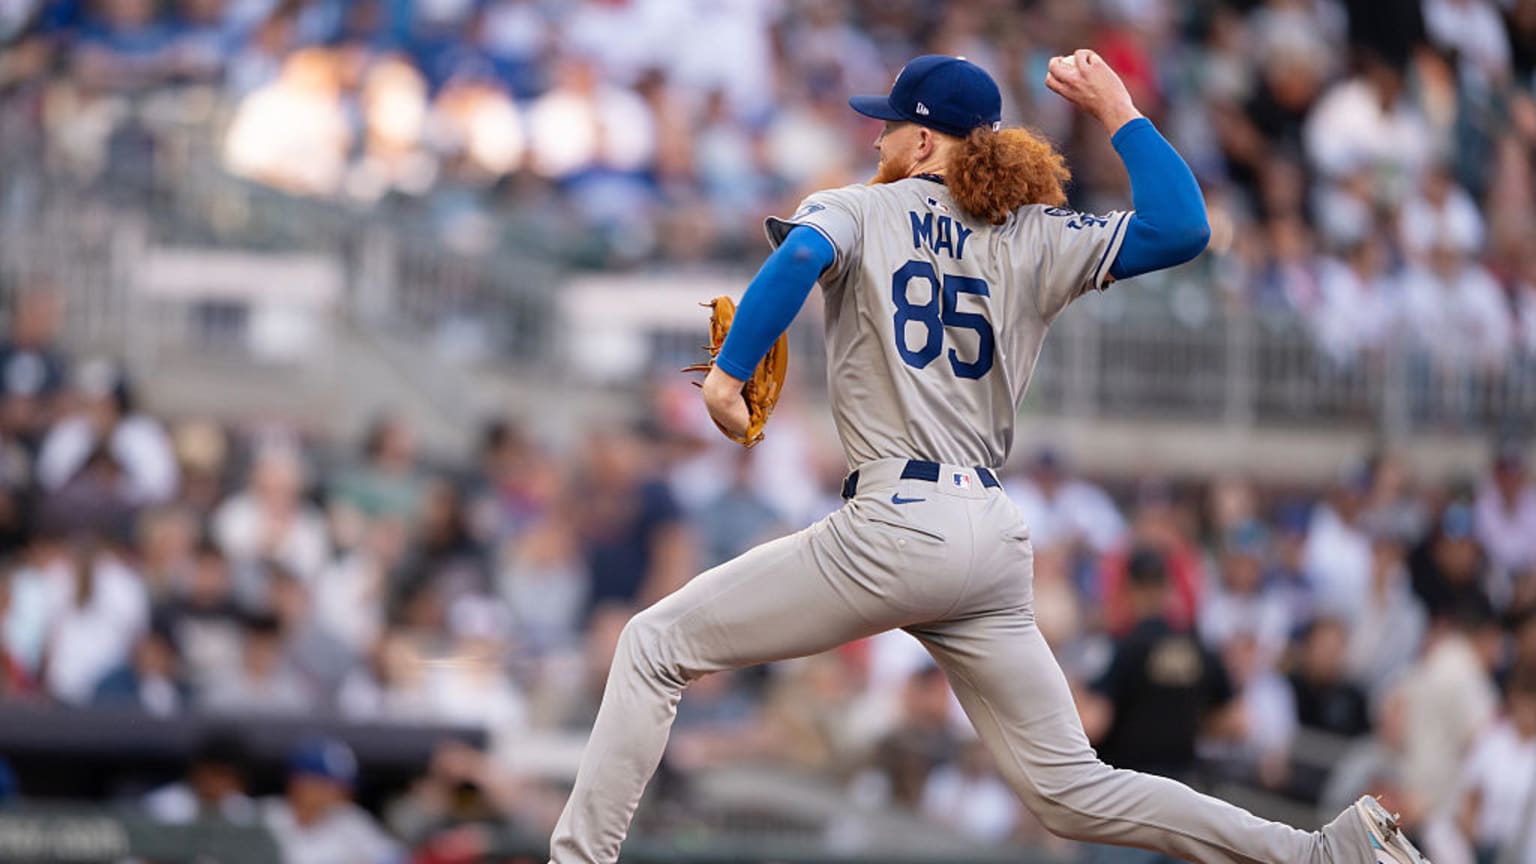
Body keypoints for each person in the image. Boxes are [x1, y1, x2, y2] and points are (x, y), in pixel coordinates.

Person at [545, 52, 1426, 864]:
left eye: (889, 125)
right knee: (1073, 789)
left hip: (896, 524)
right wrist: (1118, 108)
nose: (877, 139)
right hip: (992, 539)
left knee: (653, 644)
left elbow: (803, 252)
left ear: (925, 140)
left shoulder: (861, 206)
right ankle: (1319, 854)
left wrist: (728, 375)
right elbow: (1184, 227)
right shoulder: (1034, 233)